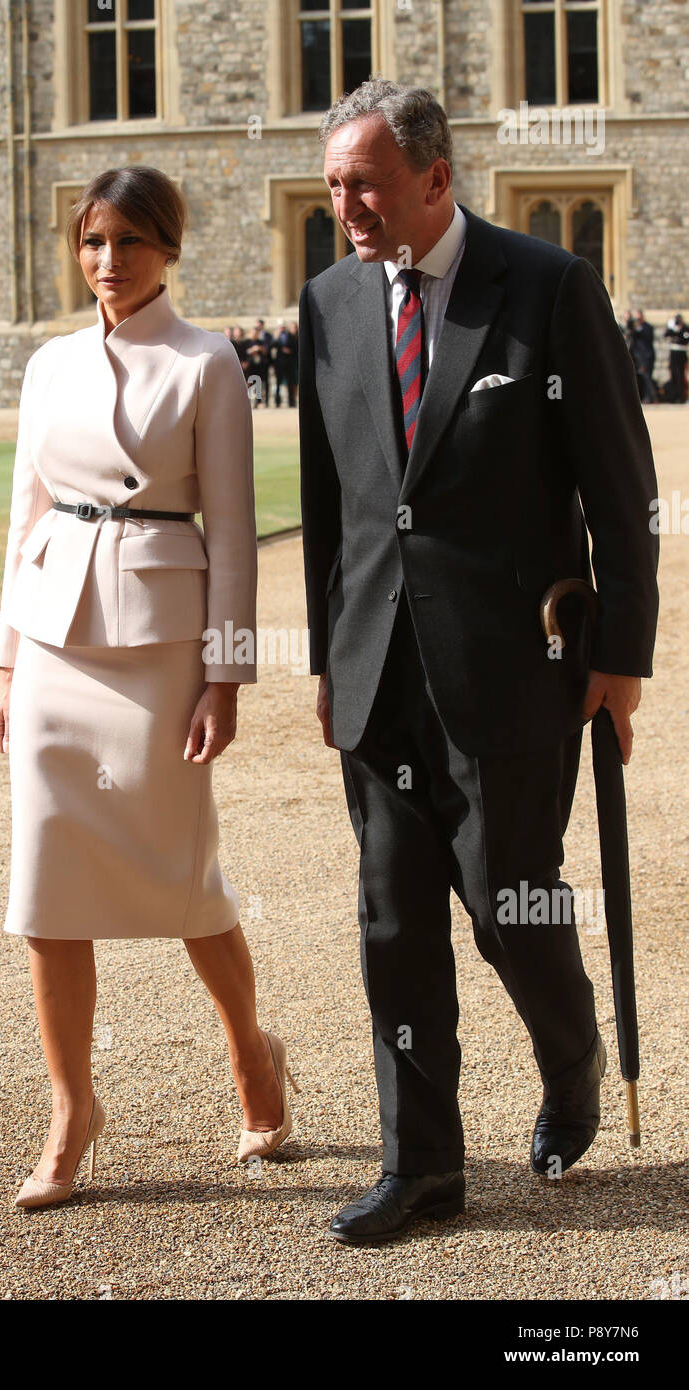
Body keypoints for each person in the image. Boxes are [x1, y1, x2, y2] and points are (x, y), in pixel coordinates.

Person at [298, 81, 658, 1246]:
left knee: (510, 906)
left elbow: (619, 490)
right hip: (375, 670)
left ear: (434, 179)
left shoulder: (545, 288)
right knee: (391, 920)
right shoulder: (328, 302)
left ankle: (571, 1053)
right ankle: (422, 1167)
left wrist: (620, 657)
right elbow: (329, 504)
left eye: (363, 185)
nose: (344, 206)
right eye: (332, 185)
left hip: (510, 666)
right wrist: (326, 658)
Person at [0, 166, 298, 1210]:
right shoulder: (48, 364)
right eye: (91, 241)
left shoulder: (208, 362)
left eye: (127, 240)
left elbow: (234, 533)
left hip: (160, 644)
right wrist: (6, 663)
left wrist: (225, 676)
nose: (107, 260)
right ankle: (72, 1108)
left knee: (184, 877)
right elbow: (26, 512)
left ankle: (250, 1050)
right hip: (52, 642)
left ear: (167, 247)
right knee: (45, 884)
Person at [272, 321, 298, 407]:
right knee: (278, 383)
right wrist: (276, 337)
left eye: (283, 327)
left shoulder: (290, 336)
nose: (282, 329)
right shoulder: (276, 337)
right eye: (280, 327)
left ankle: (291, 402)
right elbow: (271, 346)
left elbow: (295, 348)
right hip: (279, 364)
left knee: (291, 383)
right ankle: (277, 402)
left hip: (289, 363)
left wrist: (290, 351)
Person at [664, 313, 689, 403]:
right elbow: (666, 335)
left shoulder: (685, 328)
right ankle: (674, 396)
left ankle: (682, 397)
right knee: (673, 374)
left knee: (681, 375)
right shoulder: (672, 328)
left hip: (681, 353)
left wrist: (677, 334)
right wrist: (673, 329)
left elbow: (685, 339)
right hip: (673, 353)